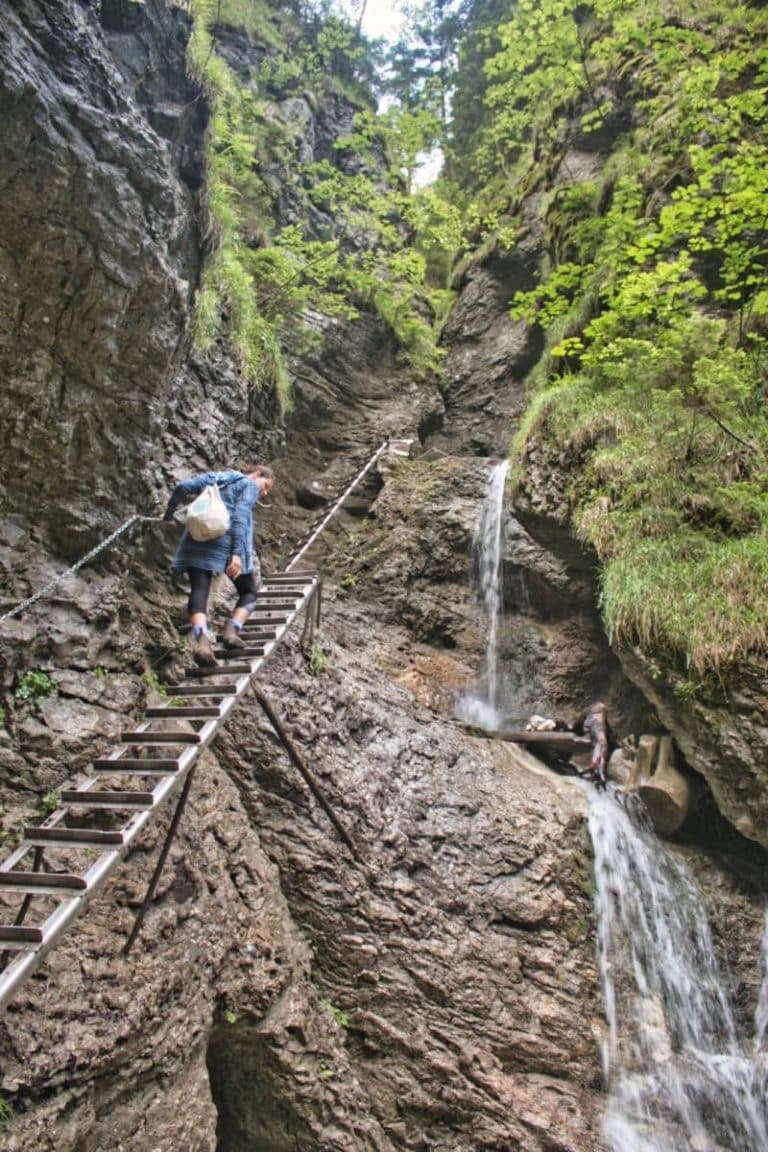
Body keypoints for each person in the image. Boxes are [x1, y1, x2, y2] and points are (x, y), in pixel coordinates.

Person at [164, 464, 275, 667]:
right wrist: (236, 554)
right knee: (249, 593)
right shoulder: (248, 485)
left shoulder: (219, 477)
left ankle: (202, 640)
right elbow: (240, 518)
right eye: (265, 485)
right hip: (225, 547)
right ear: (256, 474)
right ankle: (231, 630)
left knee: (199, 589)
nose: (264, 492)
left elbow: (182, 487)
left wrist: (168, 515)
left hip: (196, 542)